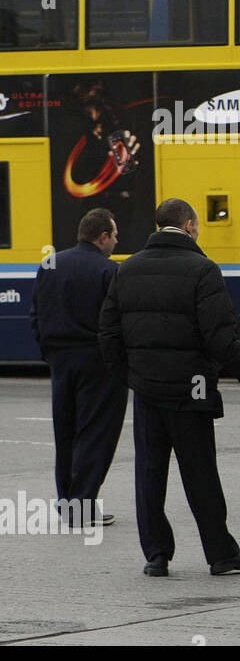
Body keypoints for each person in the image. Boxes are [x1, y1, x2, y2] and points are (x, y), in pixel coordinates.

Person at [99, 198, 240, 577]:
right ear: (190, 225)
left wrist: (130, 375)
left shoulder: (127, 269)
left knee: (150, 471)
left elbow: (108, 333)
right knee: (200, 471)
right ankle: (220, 553)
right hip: (191, 389)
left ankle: (157, 554)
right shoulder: (203, 269)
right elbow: (220, 337)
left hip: (146, 389)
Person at [29, 208, 128, 525]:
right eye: (114, 235)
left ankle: (68, 501)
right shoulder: (108, 270)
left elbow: (36, 314)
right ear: (102, 237)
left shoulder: (49, 263)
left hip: (60, 360)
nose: (116, 240)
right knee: (96, 431)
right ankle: (82, 506)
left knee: (66, 431)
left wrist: (49, 351)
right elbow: (115, 321)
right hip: (97, 360)